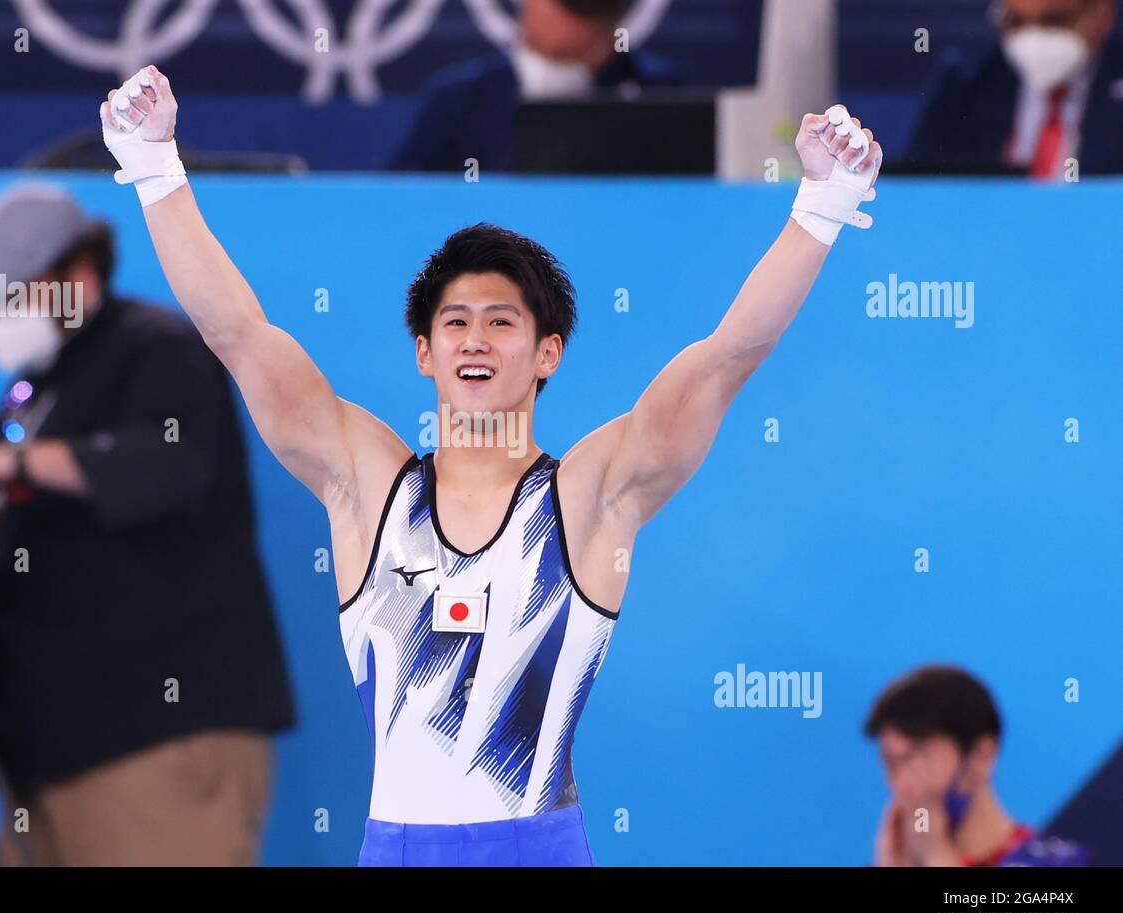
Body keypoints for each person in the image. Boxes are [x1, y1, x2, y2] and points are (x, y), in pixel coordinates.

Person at [99, 66, 881, 866]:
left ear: (548, 354)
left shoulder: (588, 496)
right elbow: (239, 335)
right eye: (456, 322)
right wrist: (154, 164)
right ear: (424, 354)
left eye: (501, 322)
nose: (474, 339)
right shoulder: (367, 488)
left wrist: (822, 208)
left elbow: (725, 361)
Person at [0, 182, 296, 865]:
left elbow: (167, 466)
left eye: (12, 296)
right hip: (47, 748)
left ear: (76, 274)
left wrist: (0, 462)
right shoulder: (36, 389)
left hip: (152, 743)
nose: (1, 319)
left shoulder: (156, 349)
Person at [390, 0, 685, 172]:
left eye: (589, 11)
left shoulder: (655, 91)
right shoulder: (459, 99)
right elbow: (401, 196)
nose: (576, 23)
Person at [865, 665, 1092, 867]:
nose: (903, 784)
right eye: (891, 763)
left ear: (982, 754)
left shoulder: (1061, 862)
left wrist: (936, 855)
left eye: (920, 757)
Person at [903, 0, 1123, 177]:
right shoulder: (965, 84)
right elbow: (919, 184)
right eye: (1015, 21)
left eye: (1053, 21)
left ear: (1102, 14)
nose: (1032, 38)